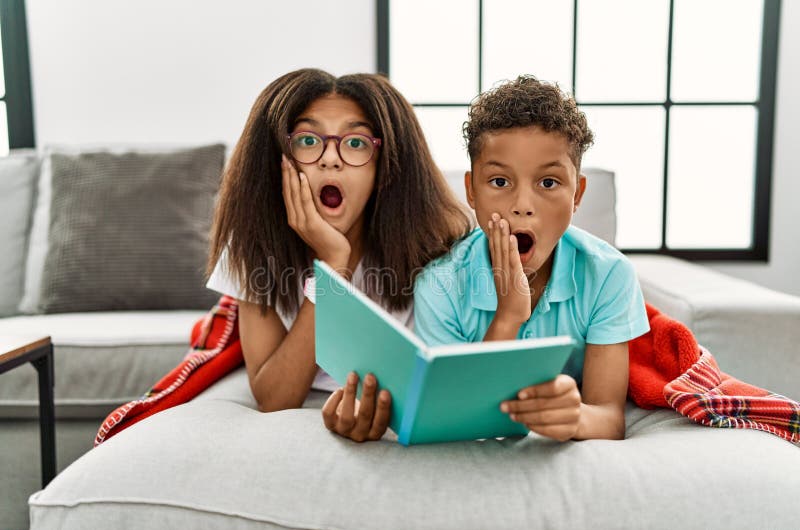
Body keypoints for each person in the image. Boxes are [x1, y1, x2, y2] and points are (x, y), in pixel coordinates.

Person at [326, 75, 649, 442]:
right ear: (471, 191)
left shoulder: (609, 274)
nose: (522, 207)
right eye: (499, 182)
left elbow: (608, 415)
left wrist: (575, 419)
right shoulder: (440, 284)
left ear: (578, 194)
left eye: (548, 183)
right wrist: (509, 314)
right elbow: (460, 414)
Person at [205, 69, 471, 439]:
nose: (331, 159)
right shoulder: (254, 242)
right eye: (309, 140)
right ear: (280, 159)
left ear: (384, 166)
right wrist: (332, 265)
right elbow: (275, 398)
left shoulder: (438, 242)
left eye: (357, 143)